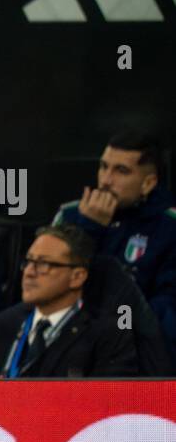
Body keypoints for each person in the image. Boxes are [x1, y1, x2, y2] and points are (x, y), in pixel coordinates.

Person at [52, 130, 176, 362]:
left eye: (121, 171)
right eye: (103, 167)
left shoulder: (169, 226)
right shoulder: (71, 215)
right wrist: (89, 229)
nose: (106, 180)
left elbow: (166, 309)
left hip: (138, 347)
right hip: (71, 340)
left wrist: (113, 327)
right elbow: (51, 283)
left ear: (148, 183)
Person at [0, 226, 137, 378]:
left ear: (77, 277)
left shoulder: (107, 336)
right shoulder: (0, 325)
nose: (29, 272)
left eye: (43, 264)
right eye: (28, 262)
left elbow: (110, 403)